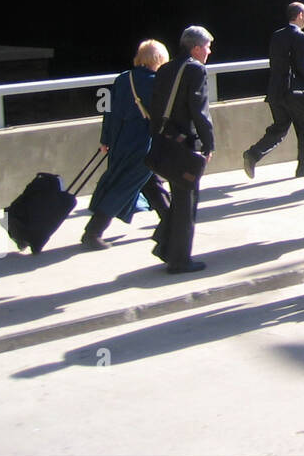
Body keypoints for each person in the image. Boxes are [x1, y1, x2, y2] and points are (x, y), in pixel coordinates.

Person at [82, 39, 171, 250]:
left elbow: (108, 111)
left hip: (122, 140)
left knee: (151, 182)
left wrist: (106, 140)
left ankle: (170, 222)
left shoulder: (122, 79)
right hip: (143, 142)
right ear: (159, 59)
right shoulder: (156, 82)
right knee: (124, 186)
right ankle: (93, 232)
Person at [149, 26, 215, 274]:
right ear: (196, 48)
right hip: (187, 144)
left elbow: (155, 107)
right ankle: (179, 260)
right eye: (207, 46)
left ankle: (167, 247)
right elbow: (200, 111)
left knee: (178, 199)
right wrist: (209, 144)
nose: (209, 51)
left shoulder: (166, 68)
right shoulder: (196, 70)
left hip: (166, 141)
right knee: (187, 202)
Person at [244, 2, 304, 179]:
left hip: (275, 90)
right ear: (300, 16)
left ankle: (253, 154)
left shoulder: (276, 35)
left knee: (279, 128)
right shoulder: (302, 38)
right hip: (294, 93)